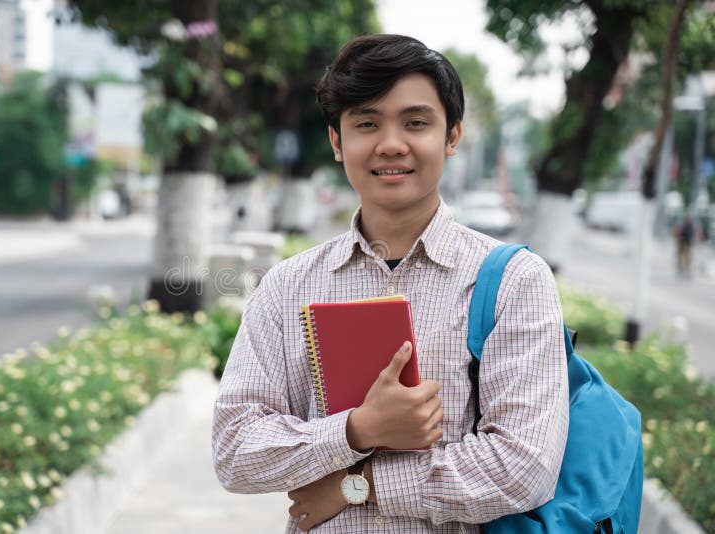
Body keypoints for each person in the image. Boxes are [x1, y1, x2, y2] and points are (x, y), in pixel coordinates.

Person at [212, 34, 569, 533]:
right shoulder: (288, 286)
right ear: (338, 142)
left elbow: (523, 467)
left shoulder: (513, 281)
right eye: (367, 123)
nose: (391, 144)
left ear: (452, 137)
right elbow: (235, 450)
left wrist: (354, 485)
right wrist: (358, 430)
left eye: (416, 123)